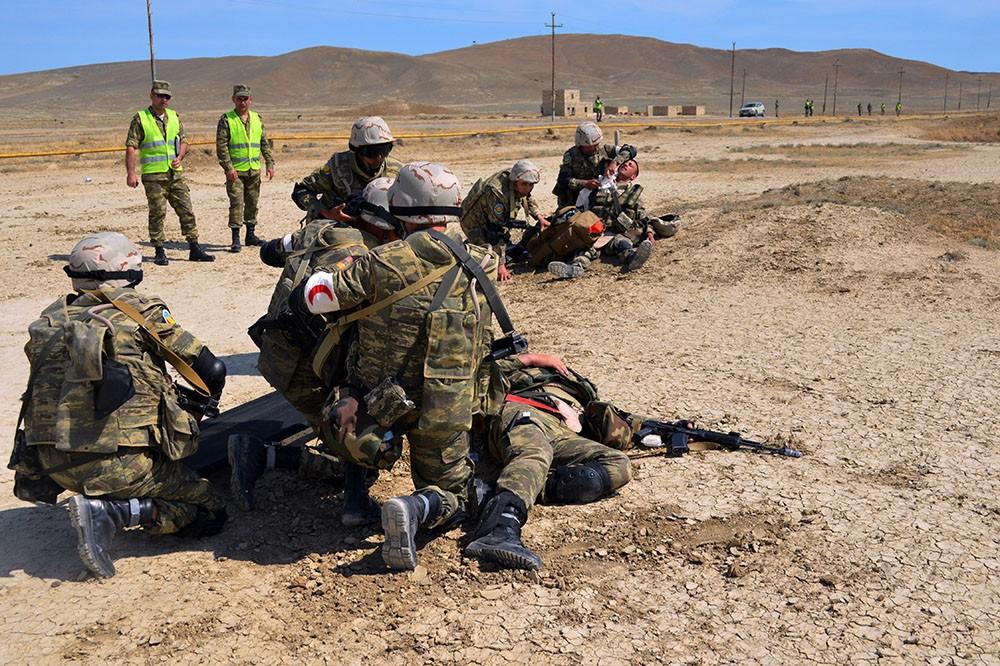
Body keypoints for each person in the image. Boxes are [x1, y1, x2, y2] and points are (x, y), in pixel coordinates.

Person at [295, 162, 506, 571]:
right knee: (453, 495)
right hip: (447, 404)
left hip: (375, 405)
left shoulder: (381, 262)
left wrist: (334, 267)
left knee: (342, 388)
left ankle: (355, 494)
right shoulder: (484, 261)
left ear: (399, 207)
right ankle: (416, 507)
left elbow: (314, 298)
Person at [9, 232, 228, 578]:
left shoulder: (50, 320)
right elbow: (213, 370)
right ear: (127, 270)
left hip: (49, 463)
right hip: (116, 463)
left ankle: (102, 499)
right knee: (209, 509)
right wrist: (194, 414)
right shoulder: (142, 313)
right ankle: (112, 513)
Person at [232, 179, 398, 524]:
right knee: (366, 436)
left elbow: (268, 252)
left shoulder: (320, 230)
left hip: (277, 351)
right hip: (305, 368)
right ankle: (348, 499)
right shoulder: (363, 259)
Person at [464, 353, 635, 570]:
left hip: (563, 431)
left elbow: (617, 420)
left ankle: (497, 492)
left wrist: (676, 429)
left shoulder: (578, 386)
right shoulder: (518, 372)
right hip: (522, 411)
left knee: (618, 465)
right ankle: (499, 527)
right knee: (535, 453)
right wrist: (530, 359)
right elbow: (479, 369)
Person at [125, 80, 214, 266]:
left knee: (187, 210)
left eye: (167, 96)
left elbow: (184, 141)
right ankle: (158, 249)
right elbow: (131, 147)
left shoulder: (174, 116)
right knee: (158, 213)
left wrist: (180, 156)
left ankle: (194, 247)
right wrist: (131, 173)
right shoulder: (141, 118)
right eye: (160, 96)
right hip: (154, 177)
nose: (163, 99)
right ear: (152, 95)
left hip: (175, 174)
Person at [548, 158, 679, 279]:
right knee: (585, 249)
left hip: (615, 233)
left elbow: (643, 217)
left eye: (630, 165)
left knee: (622, 244)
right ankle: (574, 268)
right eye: (625, 163)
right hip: (595, 231)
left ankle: (633, 259)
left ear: (633, 176)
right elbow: (582, 209)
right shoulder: (599, 186)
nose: (626, 165)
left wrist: (649, 232)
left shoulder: (633, 194)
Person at [291, 116, 402, 219]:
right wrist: (326, 213)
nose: (379, 157)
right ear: (357, 150)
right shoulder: (337, 168)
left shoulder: (396, 171)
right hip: (338, 226)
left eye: (385, 150)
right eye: (372, 152)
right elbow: (301, 191)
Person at [460, 159, 547, 281]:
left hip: (490, 220)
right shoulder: (497, 192)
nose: (528, 188)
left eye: (531, 184)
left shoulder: (517, 178)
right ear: (515, 181)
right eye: (525, 184)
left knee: (511, 251)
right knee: (487, 262)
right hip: (473, 222)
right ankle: (468, 248)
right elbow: (495, 232)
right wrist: (501, 265)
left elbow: (527, 197)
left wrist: (539, 216)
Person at [216, 84, 275, 253]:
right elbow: (221, 147)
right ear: (233, 100)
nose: (242, 102)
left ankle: (250, 235)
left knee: (252, 202)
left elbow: (264, 143)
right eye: (239, 99)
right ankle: (236, 238)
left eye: (245, 99)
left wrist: (269, 163)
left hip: (253, 170)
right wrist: (228, 168)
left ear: (251, 100)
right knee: (236, 203)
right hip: (236, 171)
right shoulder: (227, 120)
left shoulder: (257, 119)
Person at [553, 121, 621, 207]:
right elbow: (563, 180)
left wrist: (615, 162)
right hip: (573, 200)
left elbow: (630, 150)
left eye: (596, 144)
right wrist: (585, 183)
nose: (594, 148)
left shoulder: (605, 149)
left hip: (598, 198)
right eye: (589, 146)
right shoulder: (570, 155)